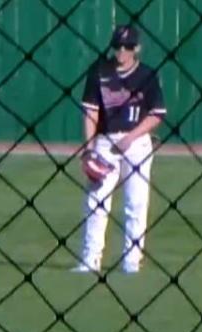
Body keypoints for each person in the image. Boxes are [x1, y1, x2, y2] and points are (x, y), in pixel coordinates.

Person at [74, 24, 166, 274]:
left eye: (126, 47)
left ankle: (131, 262)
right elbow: (91, 111)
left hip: (136, 144)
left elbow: (157, 114)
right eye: (117, 46)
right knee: (96, 202)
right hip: (105, 142)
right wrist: (89, 148)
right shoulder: (100, 71)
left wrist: (132, 136)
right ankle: (90, 260)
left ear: (137, 48)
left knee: (135, 203)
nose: (121, 52)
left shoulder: (147, 75)